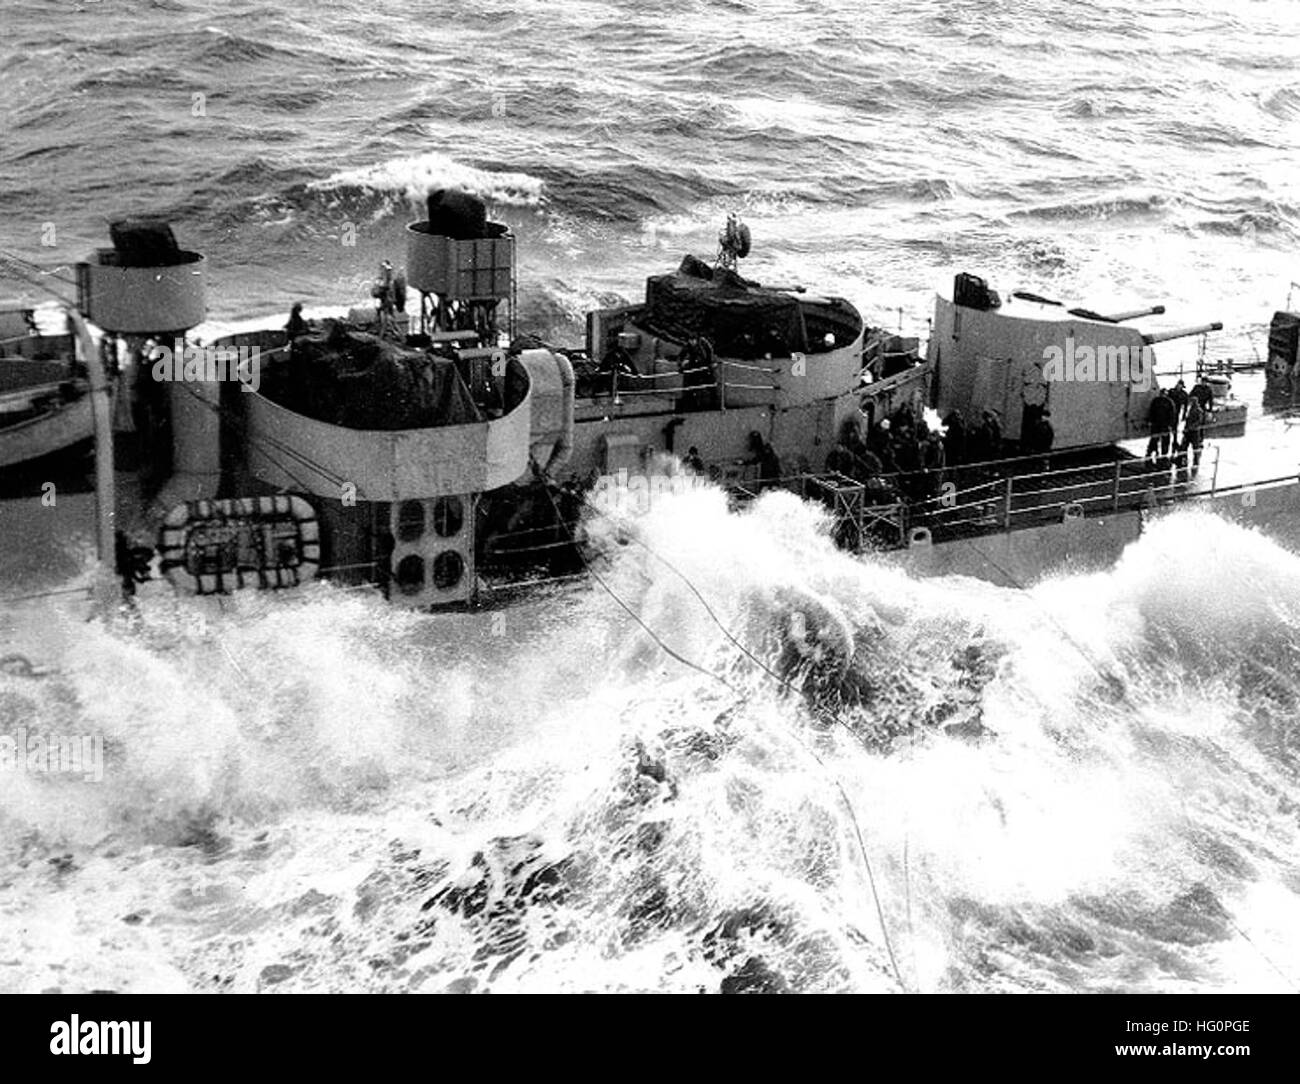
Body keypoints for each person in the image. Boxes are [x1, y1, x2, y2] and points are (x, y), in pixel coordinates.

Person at [1146, 387, 1176, 465]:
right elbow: (1151, 411)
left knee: (1165, 441)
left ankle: (1163, 456)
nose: (1163, 395)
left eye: (1164, 394)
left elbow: (1172, 414)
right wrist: (1150, 421)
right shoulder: (1156, 401)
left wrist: (1170, 424)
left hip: (1165, 425)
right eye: (1162, 393)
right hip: (1156, 424)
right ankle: (1150, 453)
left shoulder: (1169, 402)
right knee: (1154, 440)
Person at [1182, 396, 1206, 472]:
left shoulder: (1198, 410)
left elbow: (1199, 421)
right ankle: (1184, 459)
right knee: (1184, 446)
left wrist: (1192, 426)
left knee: (1195, 447)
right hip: (1188, 431)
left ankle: (1196, 461)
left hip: (1194, 431)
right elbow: (1188, 420)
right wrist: (1185, 428)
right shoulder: (1190, 409)